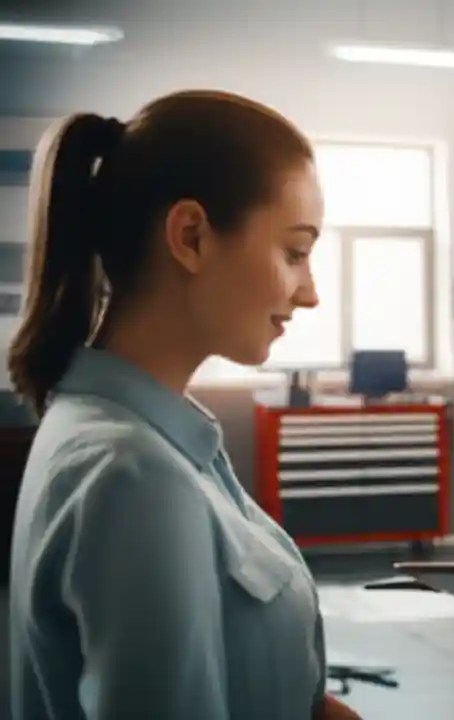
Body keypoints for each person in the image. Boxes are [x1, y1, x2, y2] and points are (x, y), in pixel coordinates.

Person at [7, 91, 360, 720]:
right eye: (294, 252)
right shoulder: (132, 474)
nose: (308, 293)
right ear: (191, 236)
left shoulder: (143, 439)